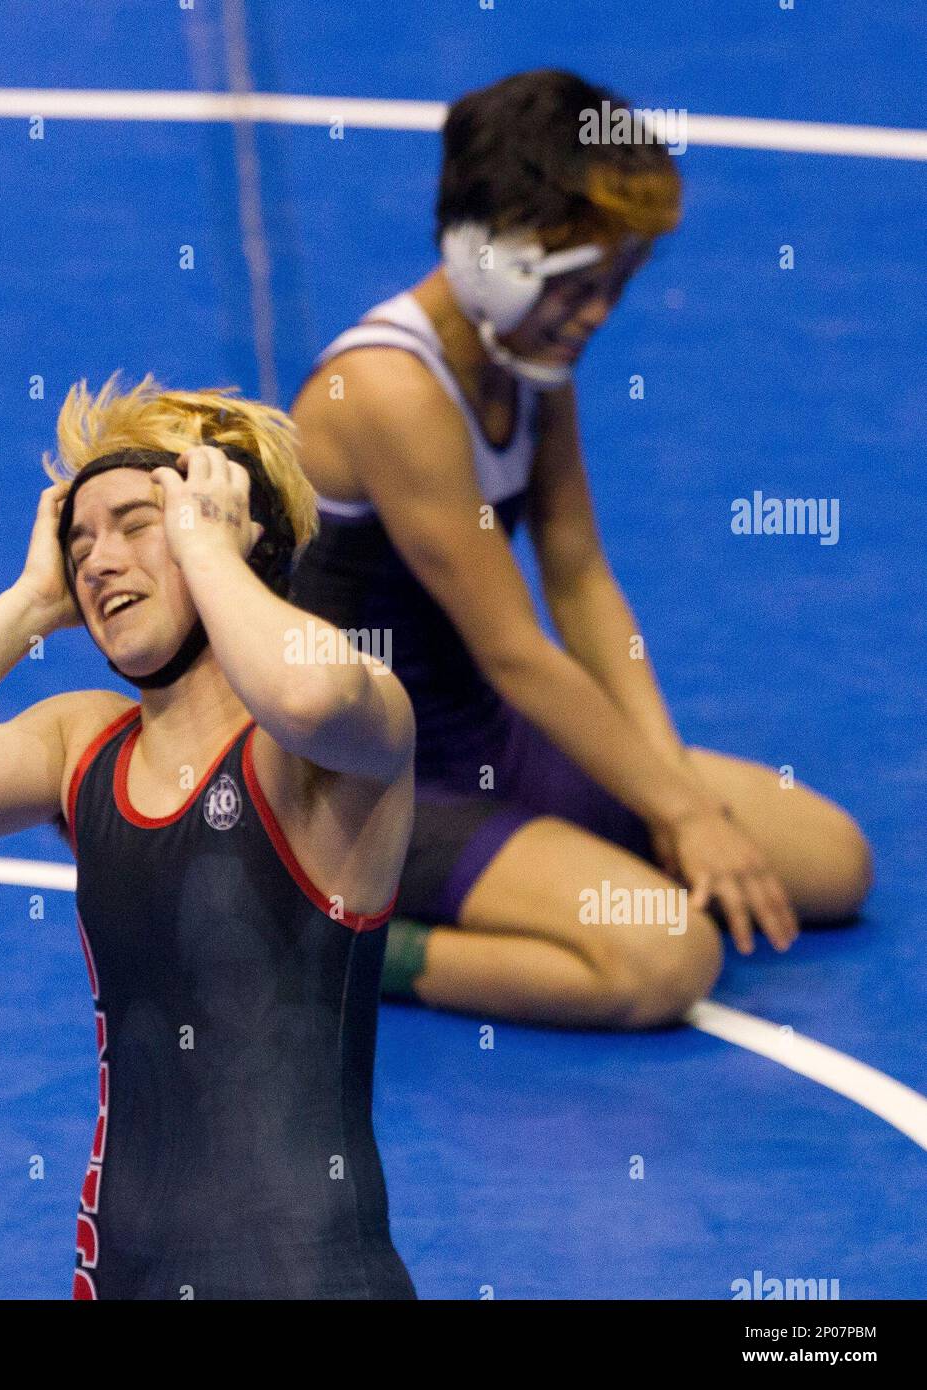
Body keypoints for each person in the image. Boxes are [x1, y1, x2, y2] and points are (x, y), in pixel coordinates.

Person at [288, 69, 872, 1030]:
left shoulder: (526, 359)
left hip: (495, 741)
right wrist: (681, 817)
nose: (599, 313)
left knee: (833, 863)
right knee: (665, 959)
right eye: (580, 285)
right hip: (376, 788)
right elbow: (514, 650)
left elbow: (581, 579)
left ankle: (580, 846)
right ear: (491, 258)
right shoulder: (390, 394)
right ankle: (347, 939)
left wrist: (670, 782)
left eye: (618, 283)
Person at [0, 373, 418, 1300]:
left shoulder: (332, 742)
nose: (97, 562)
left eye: (140, 523)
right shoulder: (84, 742)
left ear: (230, 524)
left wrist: (209, 550)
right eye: (80, 539)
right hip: (117, 1276)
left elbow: (303, 692)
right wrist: (27, 605)